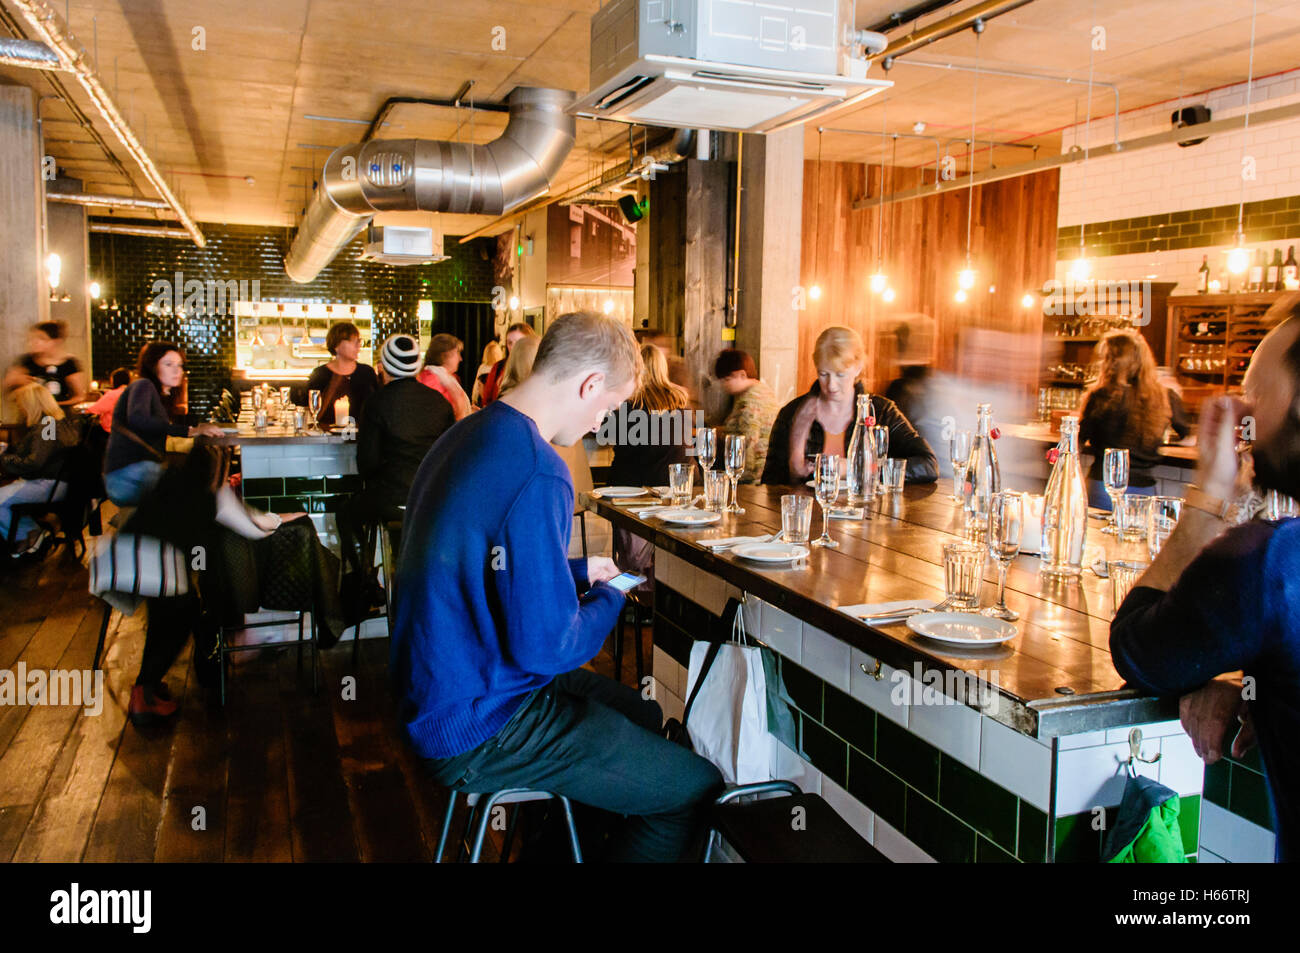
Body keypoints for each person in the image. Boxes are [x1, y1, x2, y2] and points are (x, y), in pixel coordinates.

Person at [392, 311, 723, 863]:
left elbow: (475, 567)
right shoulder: (539, 468)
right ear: (590, 384)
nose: (601, 421)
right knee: (692, 789)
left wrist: (574, 572)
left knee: (642, 716)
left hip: (439, 689)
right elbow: (549, 647)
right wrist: (612, 594)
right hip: (478, 721)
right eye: (609, 406)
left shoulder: (469, 431)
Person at [1109, 293, 1300, 862]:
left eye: (1255, 395)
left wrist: (1207, 498)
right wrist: (1253, 680)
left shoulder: (1266, 562)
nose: (1243, 413)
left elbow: (1137, 649)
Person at [762, 326, 938, 485]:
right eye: (823, 374)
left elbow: (928, 465)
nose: (831, 385)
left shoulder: (881, 411)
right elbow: (769, 486)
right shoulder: (792, 413)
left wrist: (856, 469)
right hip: (812, 510)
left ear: (858, 368)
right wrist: (794, 470)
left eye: (840, 375)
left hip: (866, 510)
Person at [340, 334, 455, 576]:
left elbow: (367, 464)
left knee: (346, 513)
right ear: (416, 365)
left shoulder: (376, 403)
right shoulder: (439, 402)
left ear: (385, 366)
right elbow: (449, 459)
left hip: (391, 501)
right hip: (433, 500)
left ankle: (365, 577)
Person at [1079, 330, 1191, 509]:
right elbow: (1189, 438)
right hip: (1144, 490)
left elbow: (1078, 440)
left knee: (1098, 527)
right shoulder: (1164, 396)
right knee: (1139, 528)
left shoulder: (1100, 396)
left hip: (1103, 485)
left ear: (1112, 362)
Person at [103, 342, 223, 506]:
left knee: (206, 490)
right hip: (127, 477)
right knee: (204, 492)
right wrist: (190, 431)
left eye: (179, 365)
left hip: (132, 474)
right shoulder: (143, 385)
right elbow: (138, 419)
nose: (177, 371)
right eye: (168, 364)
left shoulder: (154, 393)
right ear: (153, 367)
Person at [0, 383, 81, 554]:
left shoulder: (48, 425)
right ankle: (31, 532)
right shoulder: (55, 422)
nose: (20, 408)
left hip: (48, 484)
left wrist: (3, 457)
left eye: (21, 404)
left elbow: (34, 462)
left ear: (31, 404)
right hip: (55, 482)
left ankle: (29, 534)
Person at [604, 344, 690, 488]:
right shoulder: (680, 400)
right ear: (663, 368)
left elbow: (603, 432)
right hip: (681, 484)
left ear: (635, 369)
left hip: (633, 487)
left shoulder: (628, 402)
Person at [713, 349, 778, 483]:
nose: (724, 385)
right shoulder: (762, 391)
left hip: (753, 478)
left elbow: (749, 443)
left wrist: (740, 480)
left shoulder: (750, 402)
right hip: (764, 472)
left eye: (727, 379)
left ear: (742, 375)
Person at [298, 321, 378, 427]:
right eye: (352, 341)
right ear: (336, 345)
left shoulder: (367, 373)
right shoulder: (320, 374)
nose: (358, 345)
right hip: (326, 434)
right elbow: (308, 407)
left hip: (362, 434)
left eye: (359, 341)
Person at [4, 320, 87, 408]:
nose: (34, 342)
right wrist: (15, 381)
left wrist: (54, 406)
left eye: (42, 338)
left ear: (56, 341)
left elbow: (80, 397)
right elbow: (6, 388)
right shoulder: (26, 361)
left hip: (60, 413)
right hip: (30, 414)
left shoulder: (69, 364)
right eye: (32, 339)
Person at [478, 322, 537, 406]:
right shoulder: (498, 367)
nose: (513, 347)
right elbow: (487, 400)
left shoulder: (538, 369)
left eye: (518, 342)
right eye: (510, 343)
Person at [417, 333, 472, 420]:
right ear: (445, 355)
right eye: (457, 353)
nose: (460, 359)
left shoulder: (449, 378)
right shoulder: (430, 380)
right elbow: (437, 416)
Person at [86, 367, 132, 433]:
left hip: (112, 430)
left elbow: (95, 409)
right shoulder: (133, 392)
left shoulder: (113, 394)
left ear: (115, 380)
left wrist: (84, 410)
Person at [471, 340, 505, 408]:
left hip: (484, 400)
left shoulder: (483, 367)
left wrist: (474, 399)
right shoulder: (501, 368)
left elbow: (476, 387)